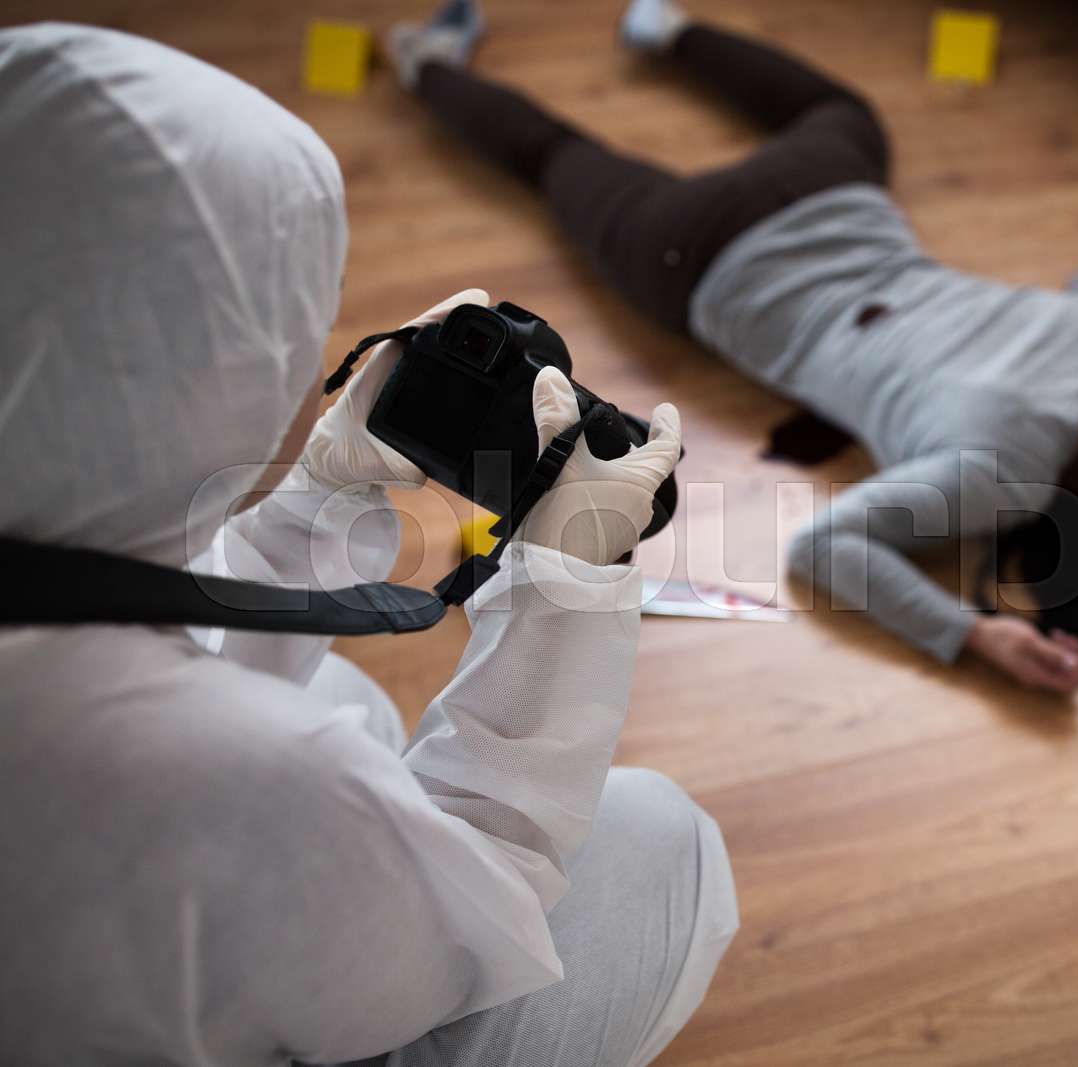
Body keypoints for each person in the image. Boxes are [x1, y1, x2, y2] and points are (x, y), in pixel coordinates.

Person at [0, 23, 735, 1067]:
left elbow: (119, 632)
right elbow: (480, 898)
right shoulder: (243, 775)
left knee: (346, 705)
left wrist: (314, 505)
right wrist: (564, 585)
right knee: (657, 841)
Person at [387, 0, 1078, 693]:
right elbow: (825, 551)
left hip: (831, 192)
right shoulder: (994, 481)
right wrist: (967, 633)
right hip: (697, 262)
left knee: (840, 113)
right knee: (552, 158)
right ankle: (423, 60)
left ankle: (667, 29)